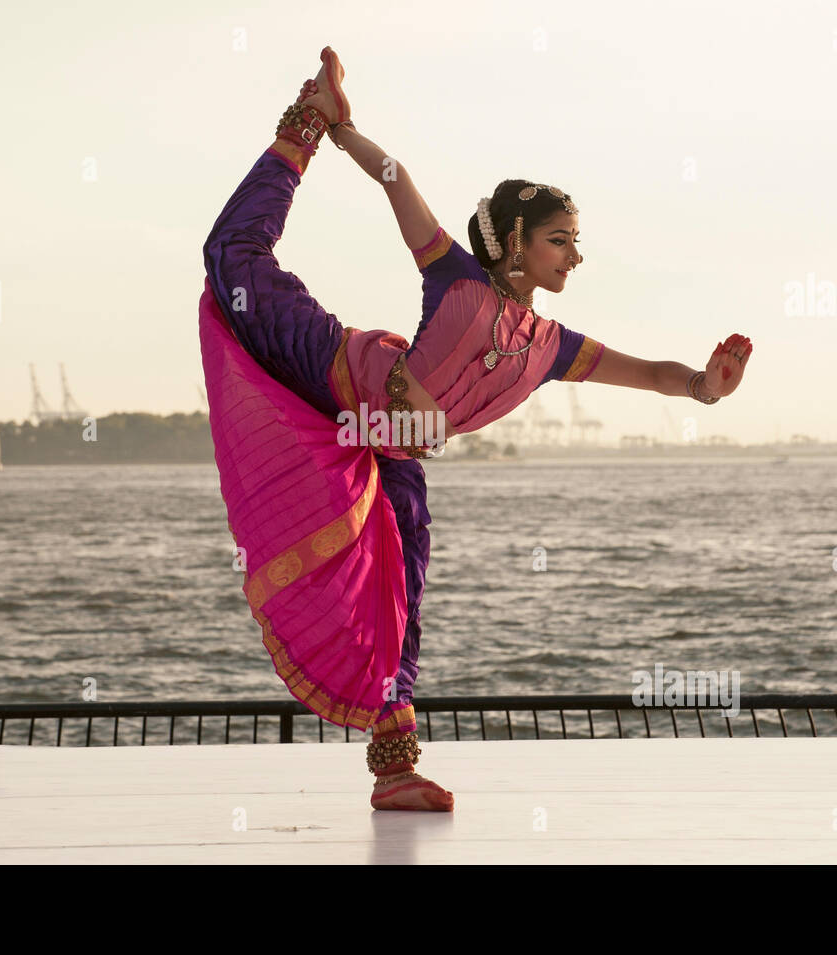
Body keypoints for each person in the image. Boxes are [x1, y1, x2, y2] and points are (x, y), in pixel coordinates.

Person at [198, 47, 752, 812]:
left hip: (388, 449)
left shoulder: (549, 345)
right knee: (230, 257)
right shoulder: (454, 275)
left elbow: (652, 374)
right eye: (560, 239)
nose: (574, 256)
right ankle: (303, 116)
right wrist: (339, 128)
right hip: (329, 368)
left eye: (576, 241)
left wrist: (702, 386)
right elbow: (395, 178)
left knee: (401, 596)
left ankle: (395, 769)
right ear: (516, 241)